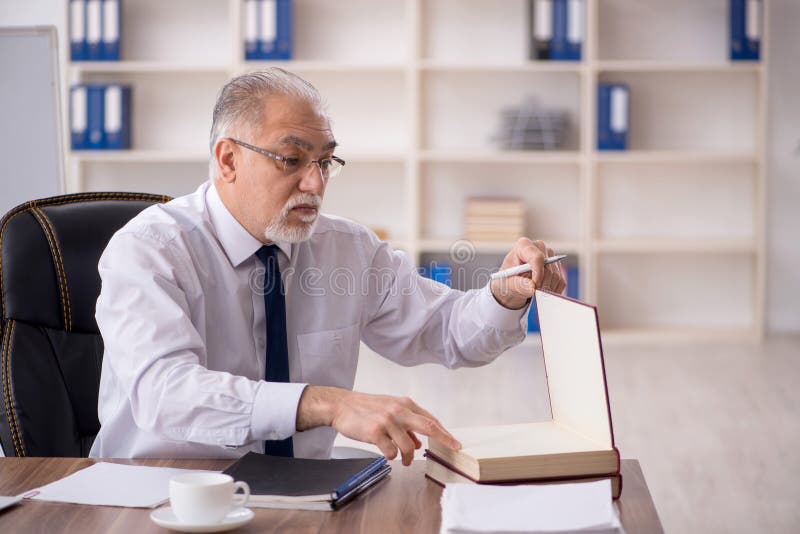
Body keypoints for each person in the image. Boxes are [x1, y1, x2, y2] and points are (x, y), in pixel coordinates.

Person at [89, 68, 566, 464]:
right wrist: (327, 403)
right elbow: (165, 392)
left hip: (302, 499)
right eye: (292, 159)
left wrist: (504, 295)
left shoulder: (347, 248)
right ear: (228, 159)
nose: (315, 183)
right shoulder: (149, 249)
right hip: (155, 497)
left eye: (326, 160)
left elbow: (446, 330)